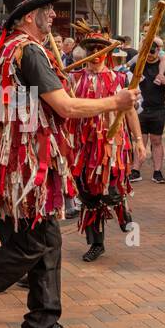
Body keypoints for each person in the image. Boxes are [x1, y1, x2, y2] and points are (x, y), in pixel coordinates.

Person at [0, 0, 137, 328]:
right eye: (45, 9)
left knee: (46, 239)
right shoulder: (28, 51)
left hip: (8, 164)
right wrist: (116, 102)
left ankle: (43, 322)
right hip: (27, 166)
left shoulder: (2, 51)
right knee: (32, 244)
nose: (51, 15)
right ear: (28, 16)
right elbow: (65, 105)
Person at [67, 21, 145, 262]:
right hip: (83, 147)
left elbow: (130, 111)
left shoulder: (117, 79)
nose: (94, 55)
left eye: (99, 50)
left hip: (111, 145)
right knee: (89, 196)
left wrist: (140, 140)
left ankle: (124, 216)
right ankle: (96, 243)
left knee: (111, 189)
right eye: (90, 50)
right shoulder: (74, 78)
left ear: (107, 54)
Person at [135, 37, 165, 184]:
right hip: (141, 109)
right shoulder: (138, 64)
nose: (150, 55)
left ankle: (157, 172)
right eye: (148, 52)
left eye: (153, 52)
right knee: (140, 140)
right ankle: (135, 171)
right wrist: (134, 82)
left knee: (157, 140)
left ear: (158, 51)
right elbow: (126, 82)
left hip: (157, 109)